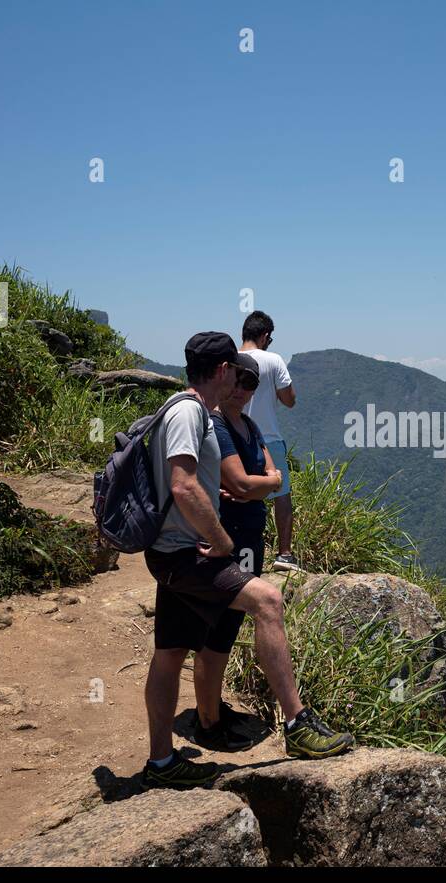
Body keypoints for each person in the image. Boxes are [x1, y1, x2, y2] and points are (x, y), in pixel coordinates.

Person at [141, 332, 354, 789]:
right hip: (187, 552)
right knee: (268, 601)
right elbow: (182, 485)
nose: (239, 382)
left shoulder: (191, 411)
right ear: (222, 371)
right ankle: (297, 725)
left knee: (170, 652)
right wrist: (219, 540)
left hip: (174, 552)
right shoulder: (189, 412)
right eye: (235, 373)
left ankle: (161, 762)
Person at [192, 352, 282, 752]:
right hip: (227, 536)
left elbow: (270, 479)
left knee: (229, 629)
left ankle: (211, 708)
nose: (245, 391)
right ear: (227, 379)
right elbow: (244, 484)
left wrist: (260, 483)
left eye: (253, 384)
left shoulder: (250, 425)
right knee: (217, 631)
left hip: (251, 535)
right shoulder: (217, 426)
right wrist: (260, 483)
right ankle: (207, 721)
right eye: (240, 381)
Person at [239, 310, 299, 571]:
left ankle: (236, 553)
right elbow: (290, 400)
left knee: (235, 491)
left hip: (233, 436)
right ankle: (284, 555)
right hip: (269, 439)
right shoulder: (273, 361)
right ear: (264, 336)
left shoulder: (230, 359)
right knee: (281, 494)